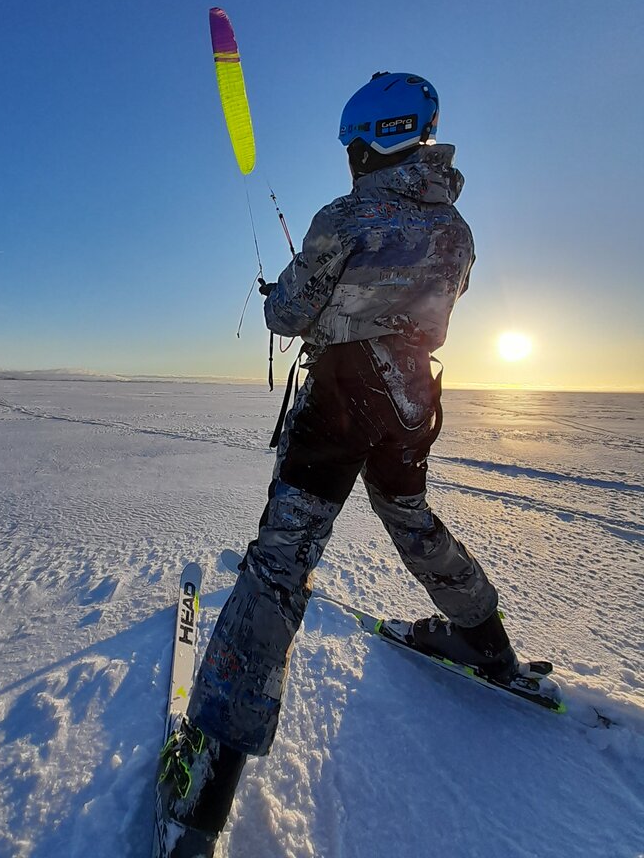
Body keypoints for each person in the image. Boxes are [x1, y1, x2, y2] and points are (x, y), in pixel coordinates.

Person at [154, 72, 518, 857]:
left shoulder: (345, 215)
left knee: (281, 562)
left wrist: (293, 298)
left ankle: (206, 783)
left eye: (355, 142)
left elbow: (288, 312)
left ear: (372, 138)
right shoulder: (457, 227)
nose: (351, 155)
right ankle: (488, 643)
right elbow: (432, 305)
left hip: (345, 397)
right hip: (415, 398)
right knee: (412, 519)